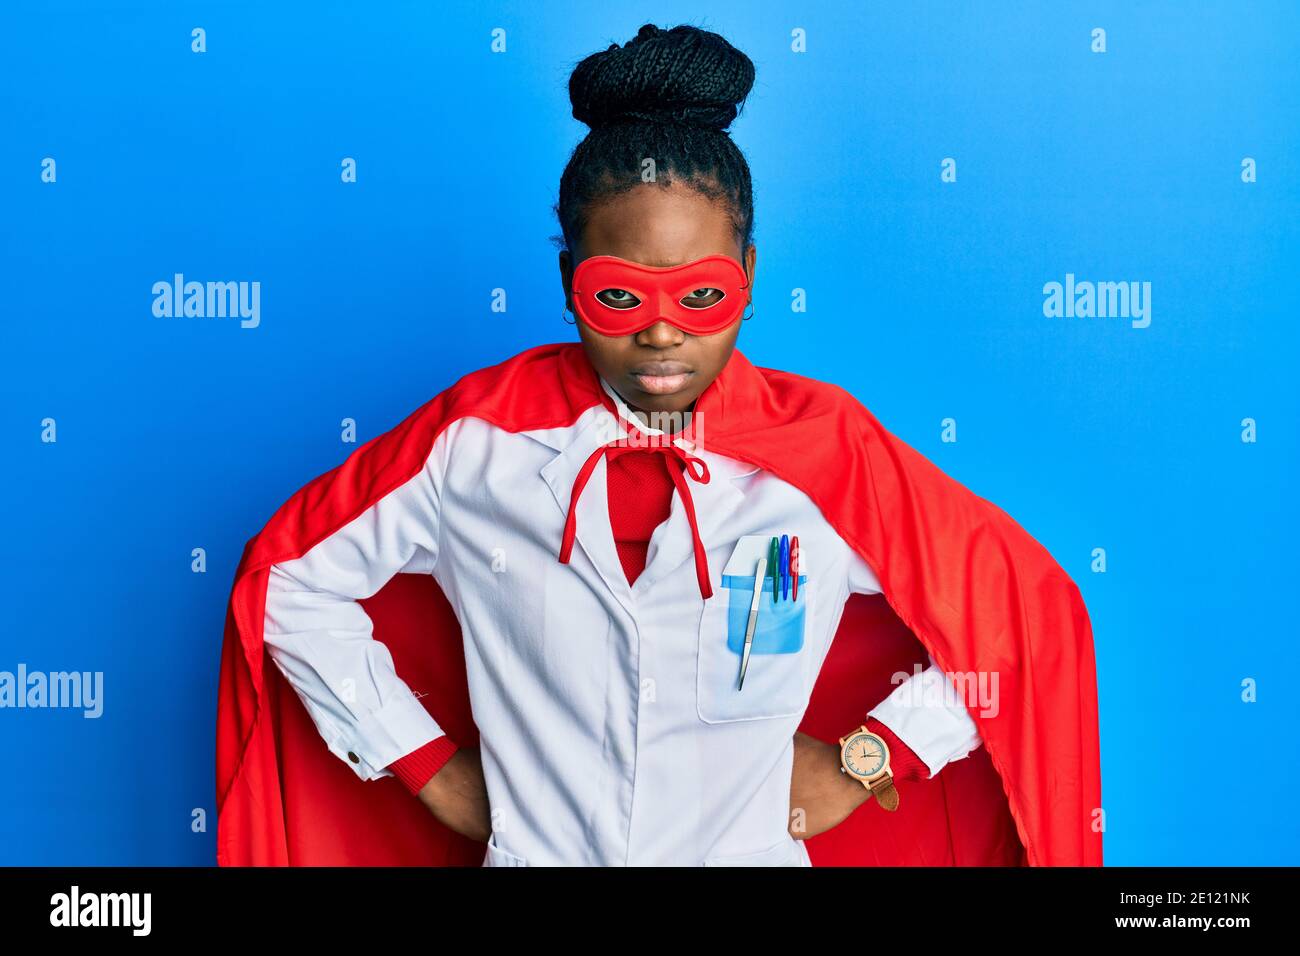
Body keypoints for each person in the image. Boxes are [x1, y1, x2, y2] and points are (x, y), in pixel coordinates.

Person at [215, 23, 1102, 867]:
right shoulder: (474, 443)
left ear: (749, 277)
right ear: (568, 281)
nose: (663, 335)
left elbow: (1024, 618)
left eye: (702, 296)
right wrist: (425, 767)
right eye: (621, 296)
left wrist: (869, 759)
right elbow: (284, 584)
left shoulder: (825, 454)